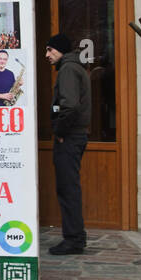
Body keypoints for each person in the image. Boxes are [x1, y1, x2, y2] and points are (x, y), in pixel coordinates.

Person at [46, 34, 92, 255]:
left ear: (60, 50)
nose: (47, 55)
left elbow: (70, 106)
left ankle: (73, 239)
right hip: (75, 135)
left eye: (50, 50)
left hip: (70, 136)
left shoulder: (67, 70)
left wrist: (60, 131)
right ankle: (76, 236)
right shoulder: (74, 67)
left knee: (68, 188)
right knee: (69, 187)